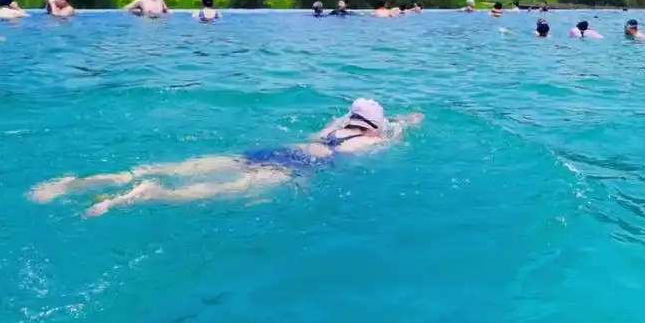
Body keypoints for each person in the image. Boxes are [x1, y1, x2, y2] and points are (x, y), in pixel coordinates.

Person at [29, 99, 424, 217]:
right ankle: (146, 195)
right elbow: (394, 134)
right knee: (213, 191)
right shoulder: (370, 141)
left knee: (170, 167)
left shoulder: (330, 129)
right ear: (374, 124)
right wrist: (405, 124)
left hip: (276, 153)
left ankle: (76, 183)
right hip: (299, 168)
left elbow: (351, 122)